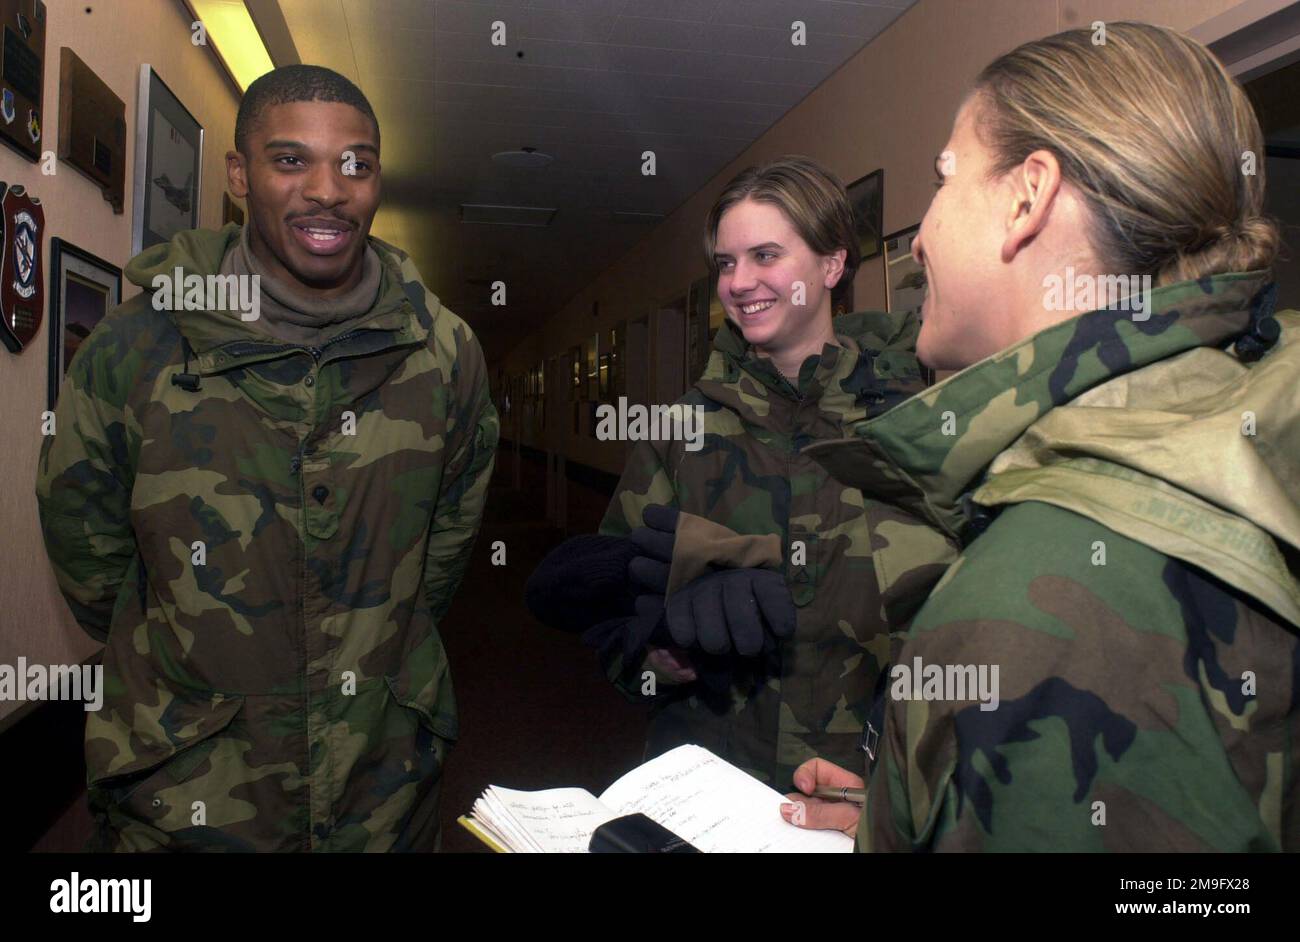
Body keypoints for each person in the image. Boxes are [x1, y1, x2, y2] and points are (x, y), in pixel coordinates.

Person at [783, 22, 1299, 851]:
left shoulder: (1048, 602)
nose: (918, 237)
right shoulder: (1225, 439)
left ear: (1027, 197)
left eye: (944, 179)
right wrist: (915, 811)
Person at [36, 65, 498, 852]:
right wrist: (200, 650)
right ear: (240, 176)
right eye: (292, 161)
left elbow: (440, 554)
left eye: (356, 163)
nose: (329, 189)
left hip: (379, 784)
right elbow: (90, 554)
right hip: (191, 790)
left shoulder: (444, 351)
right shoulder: (138, 345)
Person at [527, 157, 926, 789]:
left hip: (873, 792)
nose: (740, 282)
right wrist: (661, 652)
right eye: (725, 262)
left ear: (832, 265)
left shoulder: (918, 422)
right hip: (709, 784)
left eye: (766, 255)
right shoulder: (679, 433)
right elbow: (616, 624)